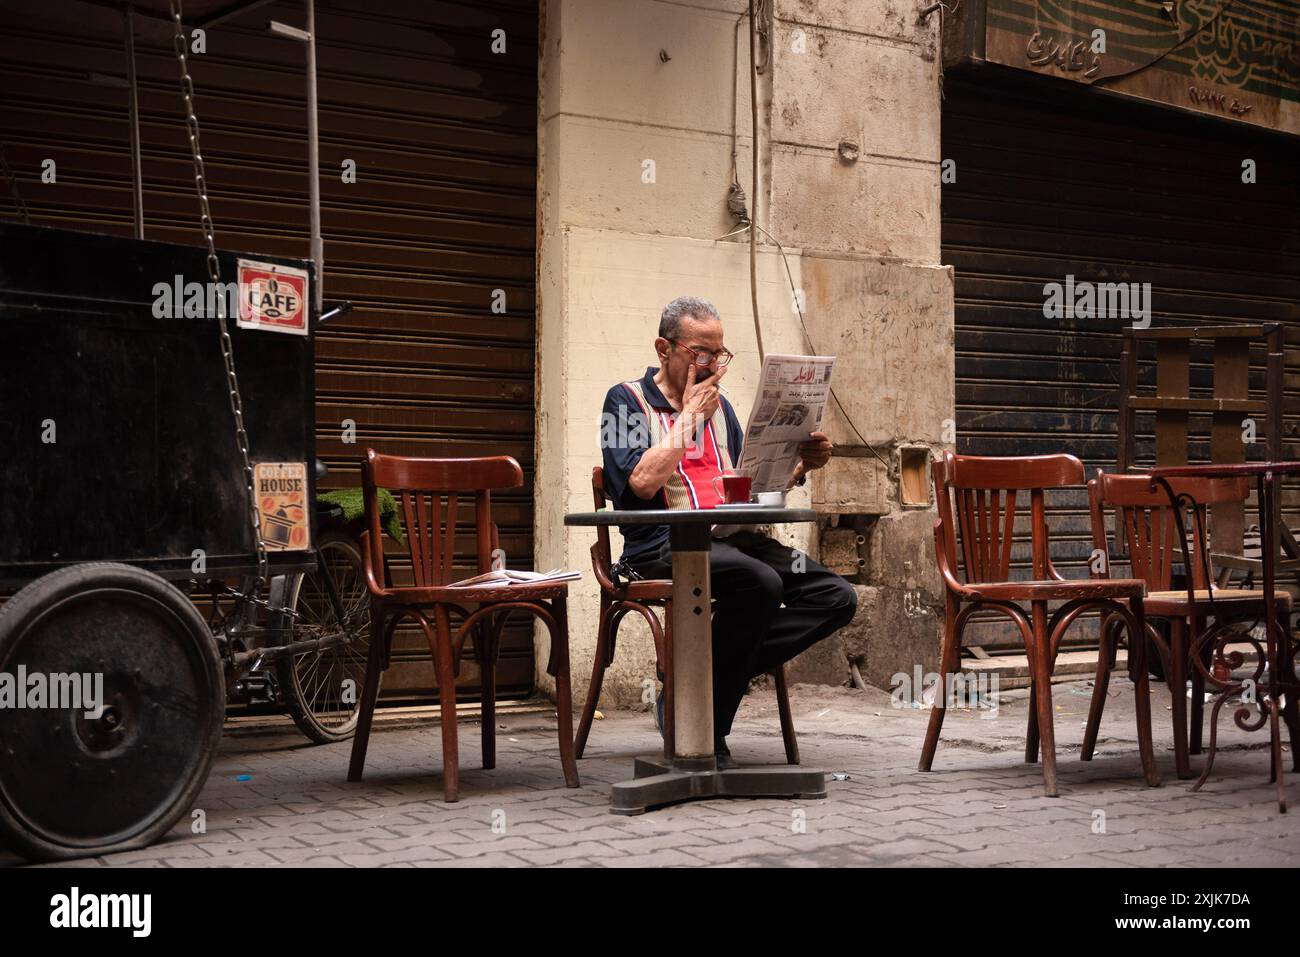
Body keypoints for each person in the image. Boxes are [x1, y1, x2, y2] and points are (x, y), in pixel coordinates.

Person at [599, 295, 857, 767]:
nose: (713, 365)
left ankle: (692, 684)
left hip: (734, 540)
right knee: (760, 583)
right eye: (702, 353)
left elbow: (748, 486)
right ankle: (705, 732)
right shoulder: (625, 401)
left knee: (837, 596)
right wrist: (688, 419)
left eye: (719, 354)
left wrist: (800, 467)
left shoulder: (724, 410)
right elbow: (639, 482)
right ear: (665, 348)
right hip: (661, 547)